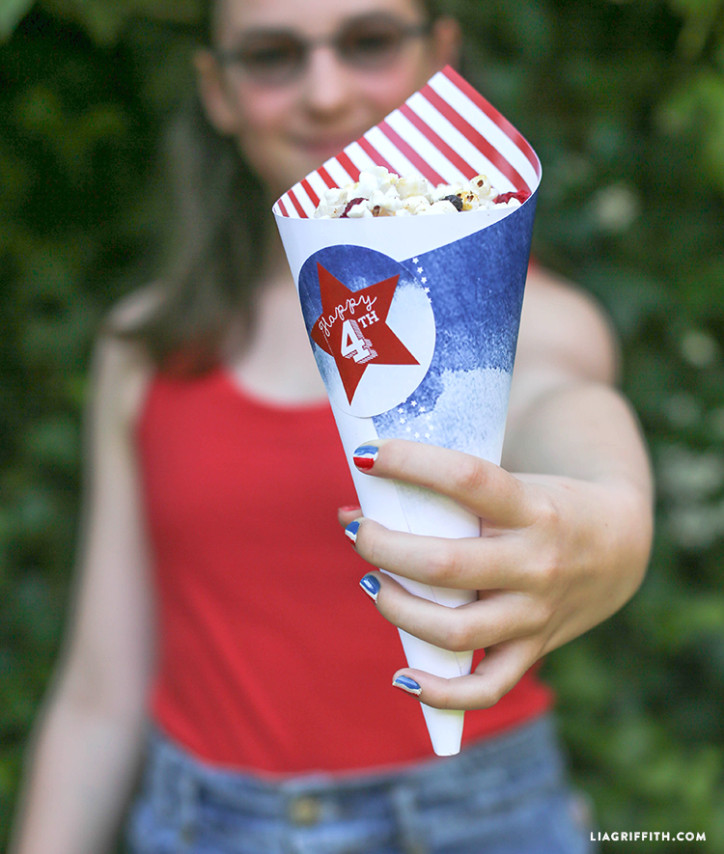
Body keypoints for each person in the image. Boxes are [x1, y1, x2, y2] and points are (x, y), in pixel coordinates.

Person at [8, 0, 653, 852]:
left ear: (441, 55)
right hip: (199, 824)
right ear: (218, 91)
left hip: (476, 821)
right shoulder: (145, 347)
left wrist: (615, 516)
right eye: (273, 55)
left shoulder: (522, 320)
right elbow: (100, 690)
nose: (325, 91)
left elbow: (561, 405)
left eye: (370, 41)